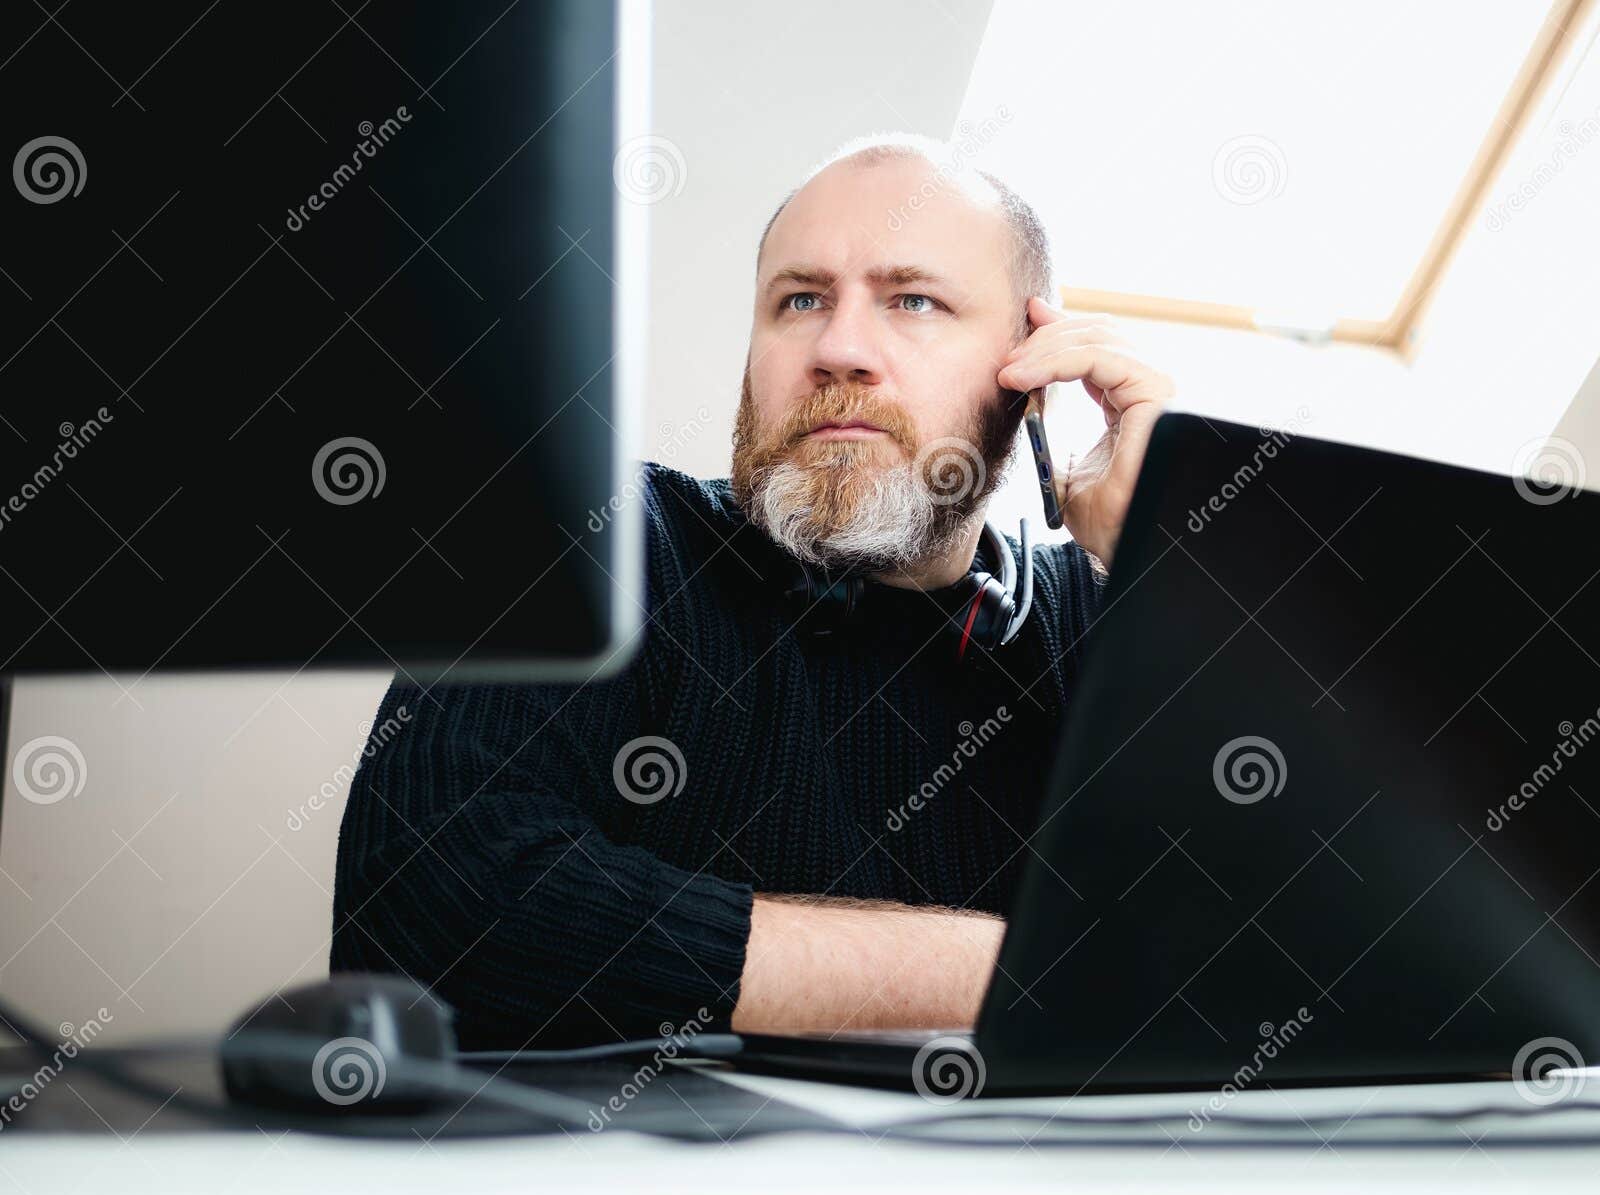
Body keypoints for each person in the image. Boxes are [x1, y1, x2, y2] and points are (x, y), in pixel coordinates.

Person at [331, 134, 1176, 1049]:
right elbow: (421, 911)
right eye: (800, 300)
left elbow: (1289, 951)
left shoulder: (1112, 618)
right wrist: (1018, 971)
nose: (839, 348)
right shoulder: (592, 535)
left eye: (914, 300)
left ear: (1035, 377)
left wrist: (1163, 564)